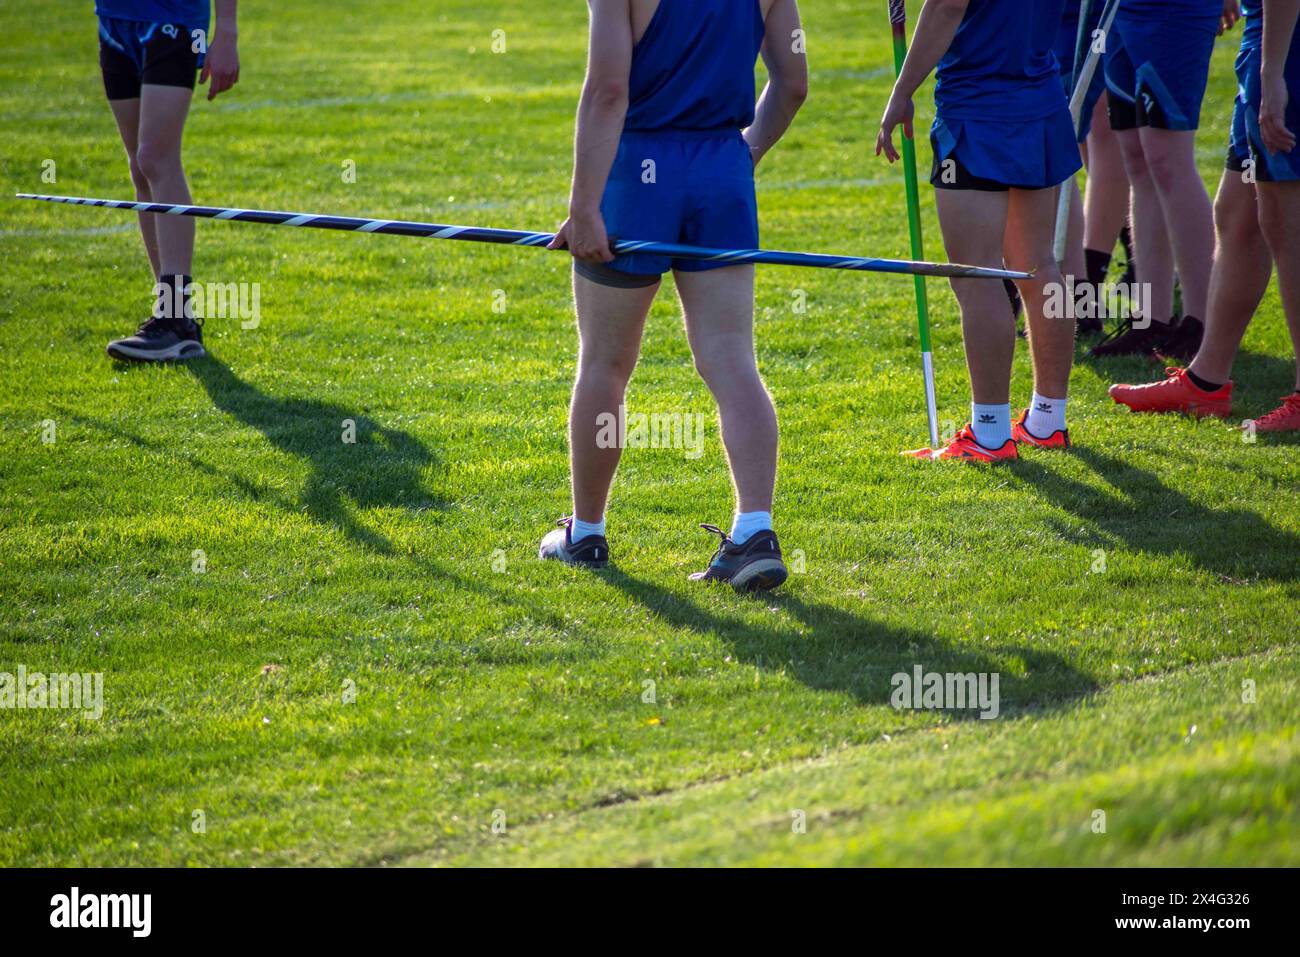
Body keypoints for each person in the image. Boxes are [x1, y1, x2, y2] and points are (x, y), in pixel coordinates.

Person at [539, 0, 808, 591]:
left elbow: (609, 92)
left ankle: (585, 534)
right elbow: (792, 85)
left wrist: (584, 207)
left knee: (605, 364)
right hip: (721, 173)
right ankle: (755, 532)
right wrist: (742, 156)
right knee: (733, 359)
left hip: (637, 174)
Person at [878, 0, 1081, 462]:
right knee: (1038, 264)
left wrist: (901, 91)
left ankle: (989, 433)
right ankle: (1048, 420)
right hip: (1038, 99)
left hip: (978, 110)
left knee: (977, 273)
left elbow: (948, 6)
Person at [1109, 0, 1300, 432]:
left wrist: (1272, 74)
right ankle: (1206, 380)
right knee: (1238, 217)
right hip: (1265, 42)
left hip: (1283, 47)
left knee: (1286, 227)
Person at [1089, 1, 1240, 360]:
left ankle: (1200, 322)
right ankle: (1151, 319)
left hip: (1172, 10)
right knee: (1136, 157)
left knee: (1167, 157)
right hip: (1117, 10)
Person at [100, 0, 241, 362]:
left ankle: (175, 316)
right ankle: (172, 317)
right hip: (114, 19)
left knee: (155, 157)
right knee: (139, 165)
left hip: (177, 21)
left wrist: (226, 30)